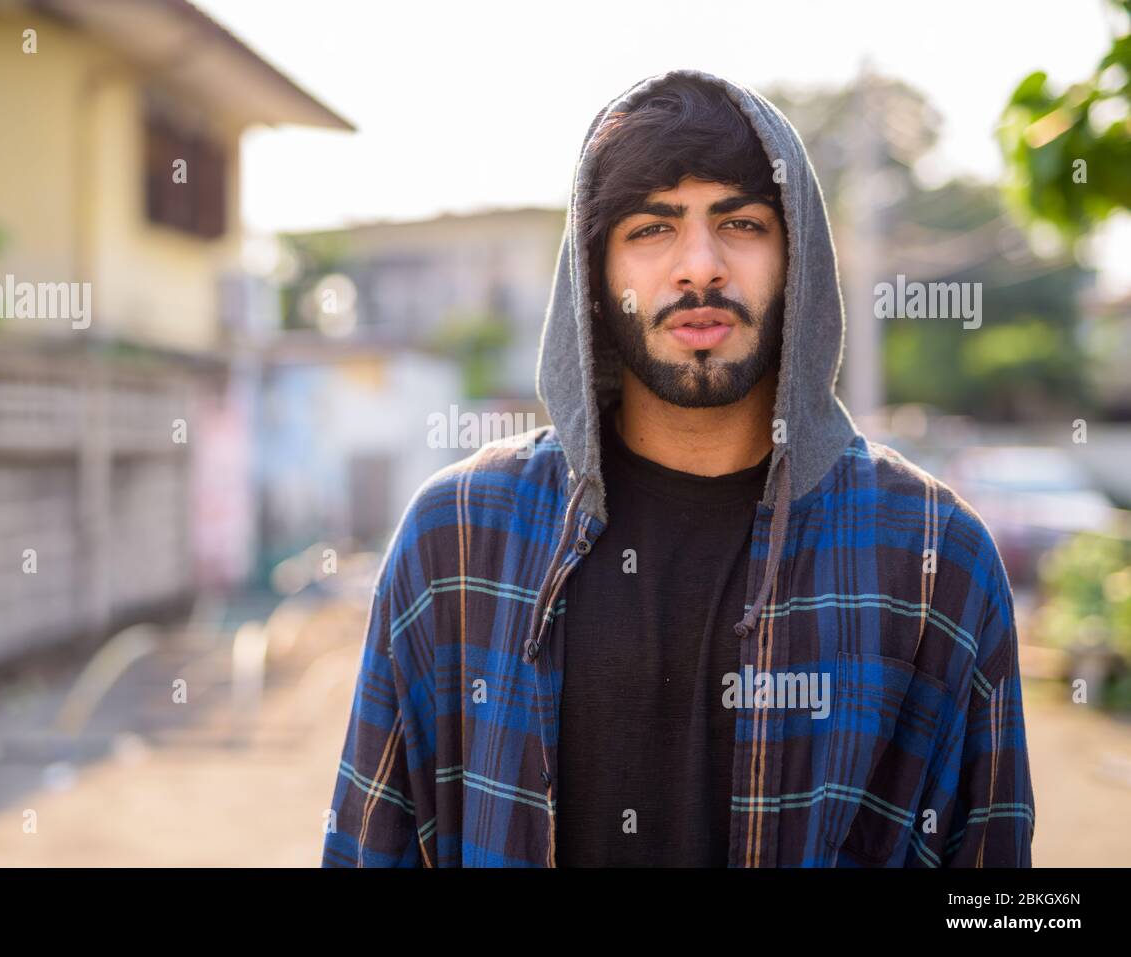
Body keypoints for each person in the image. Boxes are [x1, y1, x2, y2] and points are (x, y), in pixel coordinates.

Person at [321, 69, 1035, 867]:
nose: (700, 266)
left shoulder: (936, 556)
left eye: (741, 223)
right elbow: (368, 845)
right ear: (594, 279)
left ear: (798, 260)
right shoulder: (456, 538)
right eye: (653, 228)